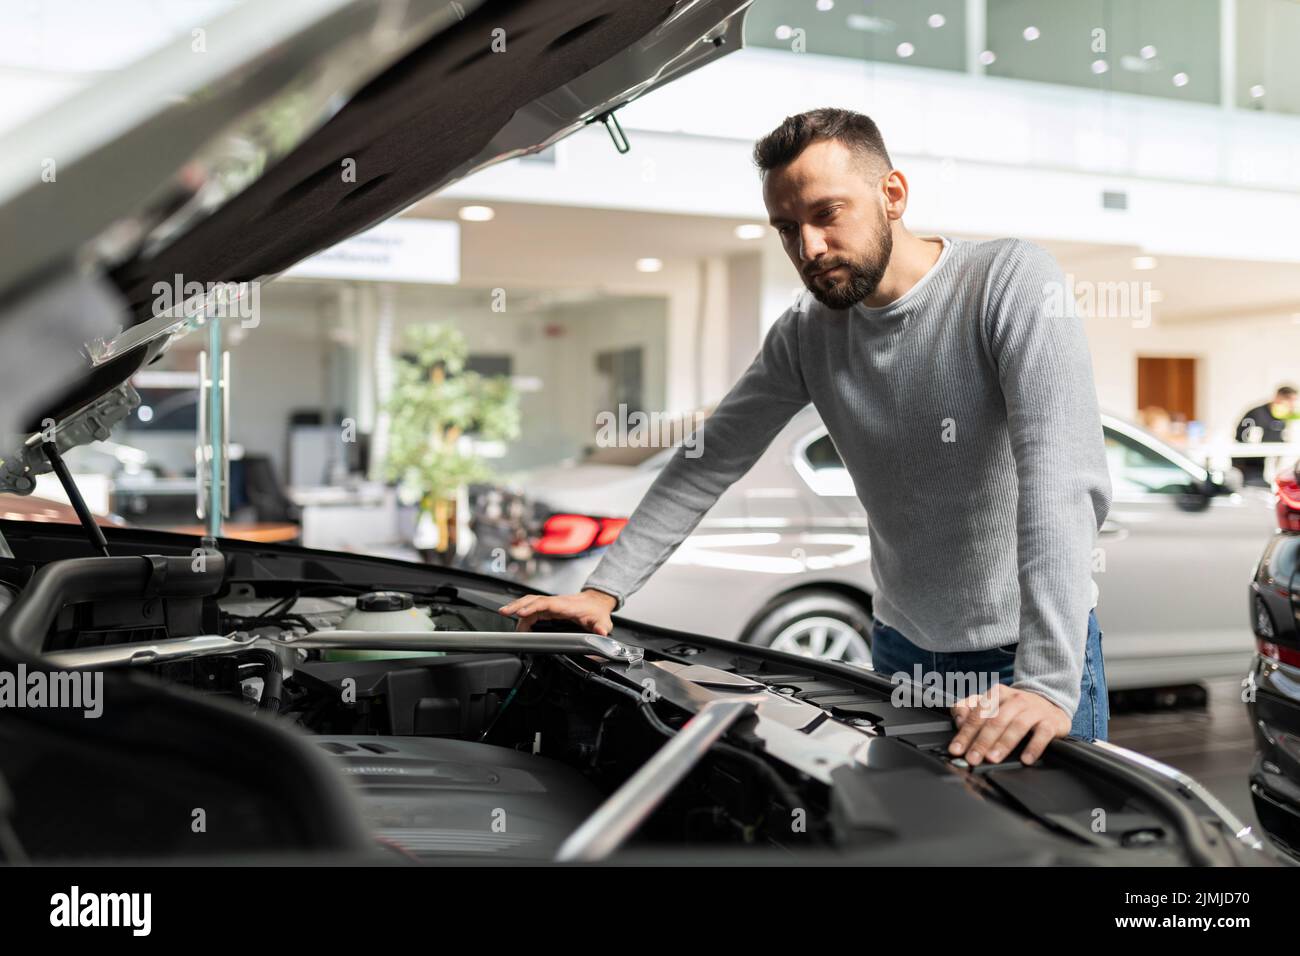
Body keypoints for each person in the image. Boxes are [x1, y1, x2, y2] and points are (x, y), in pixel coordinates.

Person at [499, 108, 1112, 765]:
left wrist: (1048, 683)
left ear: (893, 195)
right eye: (787, 229)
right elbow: (708, 459)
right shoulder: (806, 332)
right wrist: (602, 590)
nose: (809, 249)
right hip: (901, 650)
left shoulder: (1009, 282)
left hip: (1028, 656)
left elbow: (1059, 480)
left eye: (828, 214)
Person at [1232, 386, 1297, 487]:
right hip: (1251, 467)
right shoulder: (1256, 414)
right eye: (1289, 401)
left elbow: (1283, 438)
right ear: (1278, 398)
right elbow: (1241, 439)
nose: (1291, 405)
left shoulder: (1285, 417)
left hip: (1272, 466)